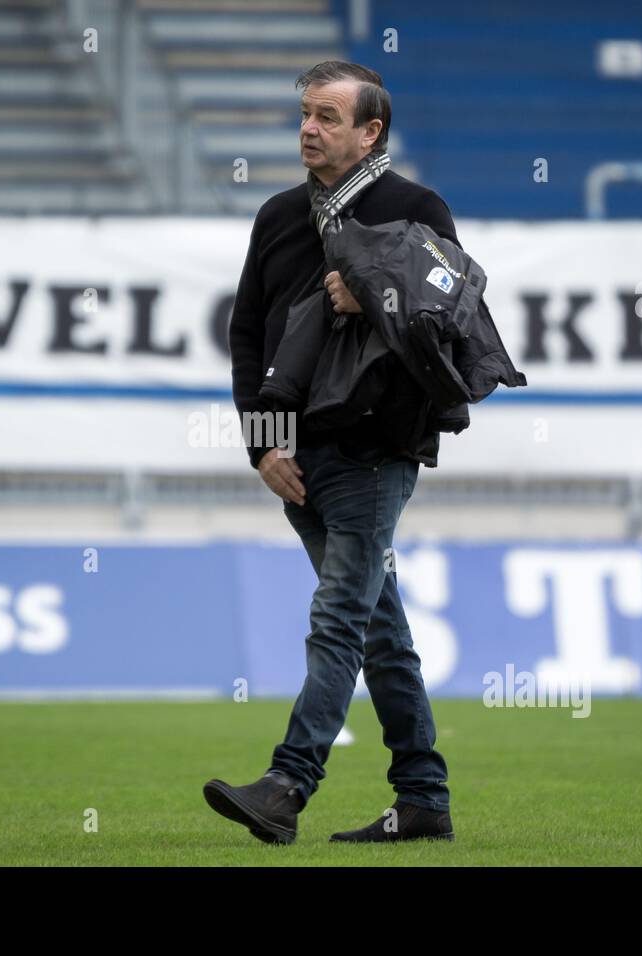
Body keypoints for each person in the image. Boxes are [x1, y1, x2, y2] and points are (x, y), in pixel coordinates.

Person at [202, 61, 454, 844]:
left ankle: (286, 786)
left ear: (371, 131)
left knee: (339, 617)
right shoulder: (279, 215)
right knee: (380, 632)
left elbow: (450, 320)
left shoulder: (416, 208)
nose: (309, 129)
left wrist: (376, 294)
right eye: (305, 115)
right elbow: (248, 336)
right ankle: (422, 801)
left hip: (378, 449)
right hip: (298, 458)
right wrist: (264, 446)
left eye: (328, 118)